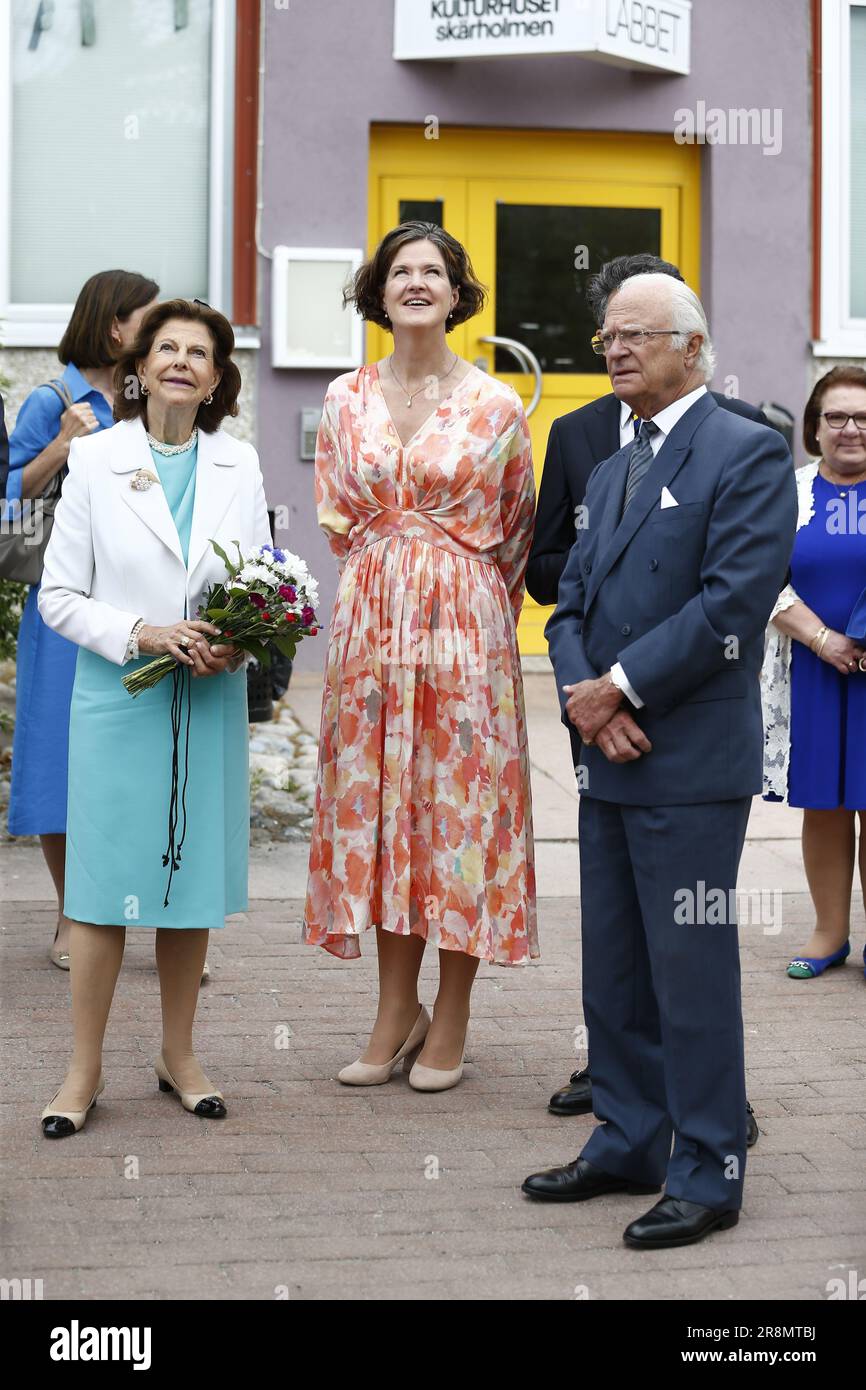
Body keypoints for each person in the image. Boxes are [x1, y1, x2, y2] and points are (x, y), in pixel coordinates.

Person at [521, 273, 797, 1248]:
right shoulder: (607, 464)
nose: (613, 348)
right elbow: (566, 605)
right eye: (604, 336)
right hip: (607, 754)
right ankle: (628, 1137)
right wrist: (581, 694)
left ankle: (708, 1168)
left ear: (691, 345)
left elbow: (731, 602)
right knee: (615, 970)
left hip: (685, 758)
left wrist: (620, 687)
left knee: (688, 971)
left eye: (634, 335)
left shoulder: (747, 449)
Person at [304, 221, 537, 1092]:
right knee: (381, 814)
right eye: (400, 270)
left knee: (457, 816)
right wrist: (389, 584)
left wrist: (461, 605)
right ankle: (393, 1009)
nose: (415, 281)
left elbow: (516, 529)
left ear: (455, 292)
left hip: (466, 634)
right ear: (379, 289)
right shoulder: (342, 397)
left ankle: (456, 1012)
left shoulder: (497, 405)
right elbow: (335, 516)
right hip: (372, 629)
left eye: (432, 271)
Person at [36, 298, 270, 1137]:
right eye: (164, 348)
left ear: (215, 380)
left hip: (204, 698)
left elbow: (255, 581)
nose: (180, 360)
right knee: (101, 889)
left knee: (187, 880)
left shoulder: (238, 466)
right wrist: (141, 633)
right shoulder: (96, 459)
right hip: (116, 698)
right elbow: (58, 596)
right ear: (137, 371)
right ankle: (83, 1069)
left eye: (198, 352)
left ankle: (180, 1055)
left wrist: (237, 643)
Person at [4, 270, 158, 968]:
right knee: (57, 755)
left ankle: (151, 916)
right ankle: (71, 917)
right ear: (112, 323)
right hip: (63, 608)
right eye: (145, 319)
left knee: (138, 756)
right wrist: (62, 443)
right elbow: (9, 500)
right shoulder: (51, 398)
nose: (158, 334)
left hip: (138, 602)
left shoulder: (147, 396)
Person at [761, 365, 866, 980]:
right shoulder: (787, 492)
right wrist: (823, 639)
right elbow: (762, 576)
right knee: (824, 806)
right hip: (812, 670)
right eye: (836, 417)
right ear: (814, 427)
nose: (850, 428)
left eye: (862, 418)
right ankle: (830, 934)